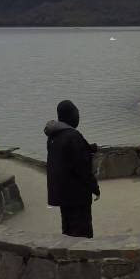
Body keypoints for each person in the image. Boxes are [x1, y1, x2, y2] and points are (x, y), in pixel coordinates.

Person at [45, 100, 100, 238]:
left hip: (62, 192)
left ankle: (68, 254)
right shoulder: (73, 136)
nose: (78, 116)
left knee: (68, 227)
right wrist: (95, 188)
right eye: (76, 113)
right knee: (82, 230)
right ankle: (82, 258)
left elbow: (64, 157)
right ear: (71, 115)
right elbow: (82, 168)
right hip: (77, 193)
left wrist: (87, 147)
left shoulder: (54, 136)